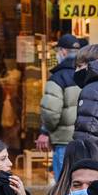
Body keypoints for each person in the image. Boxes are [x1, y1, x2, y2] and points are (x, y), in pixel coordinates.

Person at [35, 33, 88, 179]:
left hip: (64, 141)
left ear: (63, 52)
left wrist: (45, 131)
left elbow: (51, 112)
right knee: (80, 182)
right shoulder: (87, 74)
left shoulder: (58, 77)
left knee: (64, 184)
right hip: (85, 139)